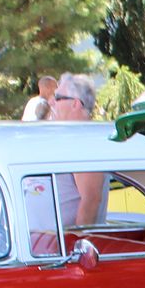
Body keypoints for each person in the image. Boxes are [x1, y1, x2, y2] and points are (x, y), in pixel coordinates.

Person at [49, 74, 108, 227]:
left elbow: (91, 200)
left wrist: (76, 246)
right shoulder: (73, 141)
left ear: (75, 103)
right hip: (43, 244)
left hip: (64, 248)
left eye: (57, 97)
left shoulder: (85, 144)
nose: (51, 102)